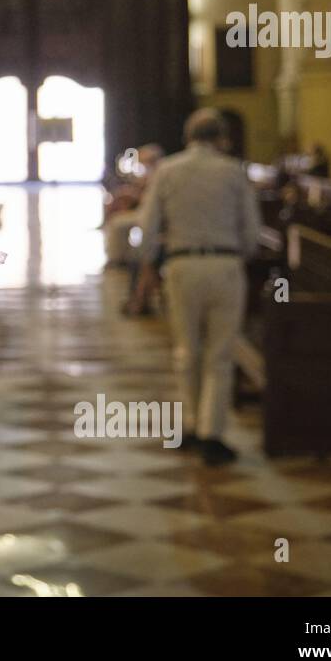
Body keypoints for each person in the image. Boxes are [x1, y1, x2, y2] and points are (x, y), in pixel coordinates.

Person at [137, 109, 261, 466]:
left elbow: (147, 226)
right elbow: (251, 231)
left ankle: (191, 426)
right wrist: (242, 253)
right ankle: (212, 434)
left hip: (182, 265)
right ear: (221, 137)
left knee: (186, 351)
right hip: (224, 265)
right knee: (220, 354)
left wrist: (148, 261)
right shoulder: (233, 171)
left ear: (188, 136)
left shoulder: (168, 170)